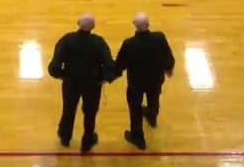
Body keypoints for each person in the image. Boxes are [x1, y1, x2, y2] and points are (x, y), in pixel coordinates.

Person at [48, 13, 115, 153]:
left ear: (78, 23)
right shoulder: (98, 42)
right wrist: (103, 78)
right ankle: (87, 141)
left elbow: (54, 67)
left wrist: (63, 76)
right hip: (92, 85)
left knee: (68, 109)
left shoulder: (67, 40)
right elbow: (110, 66)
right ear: (93, 27)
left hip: (71, 83)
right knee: (90, 113)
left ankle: (65, 137)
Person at [113, 12, 176, 150]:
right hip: (155, 79)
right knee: (154, 98)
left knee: (135, 107)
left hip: (136, 82)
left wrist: (109, 76)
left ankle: (138, 137)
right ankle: (152, 117)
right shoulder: (159, 38)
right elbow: (167, 55)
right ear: (148, 24)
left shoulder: (129, 44)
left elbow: (120, 65)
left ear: (134, 25)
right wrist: (169, 67)